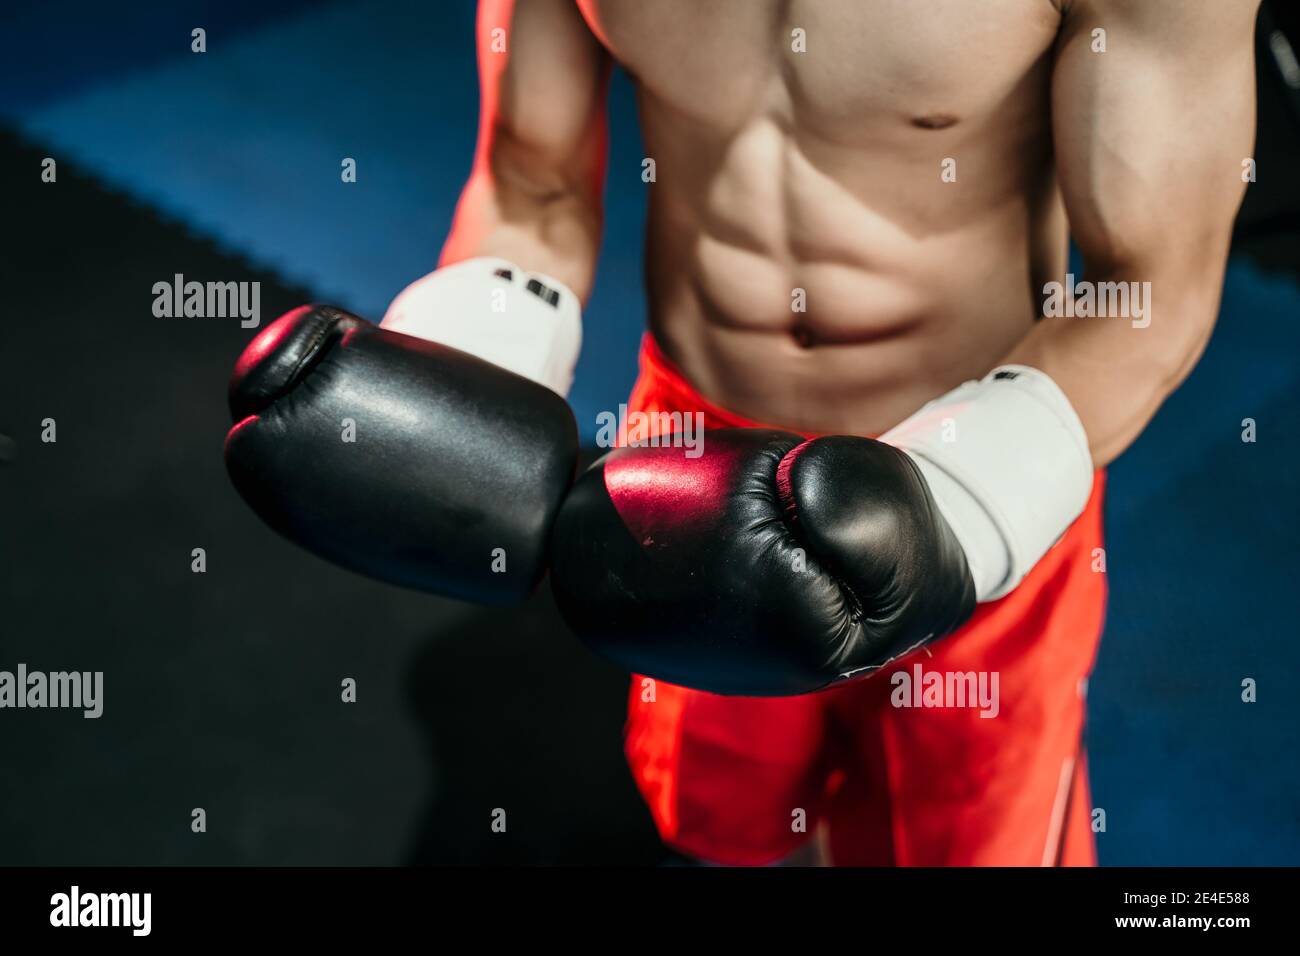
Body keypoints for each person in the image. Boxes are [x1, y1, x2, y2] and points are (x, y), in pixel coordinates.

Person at [227, 0, 1261, 865]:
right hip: (688, 462)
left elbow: (1150, 290)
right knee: (725, 820)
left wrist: (957, 507)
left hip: (972, 479)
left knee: (962, 842)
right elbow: (530, 186)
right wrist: (460, 374)